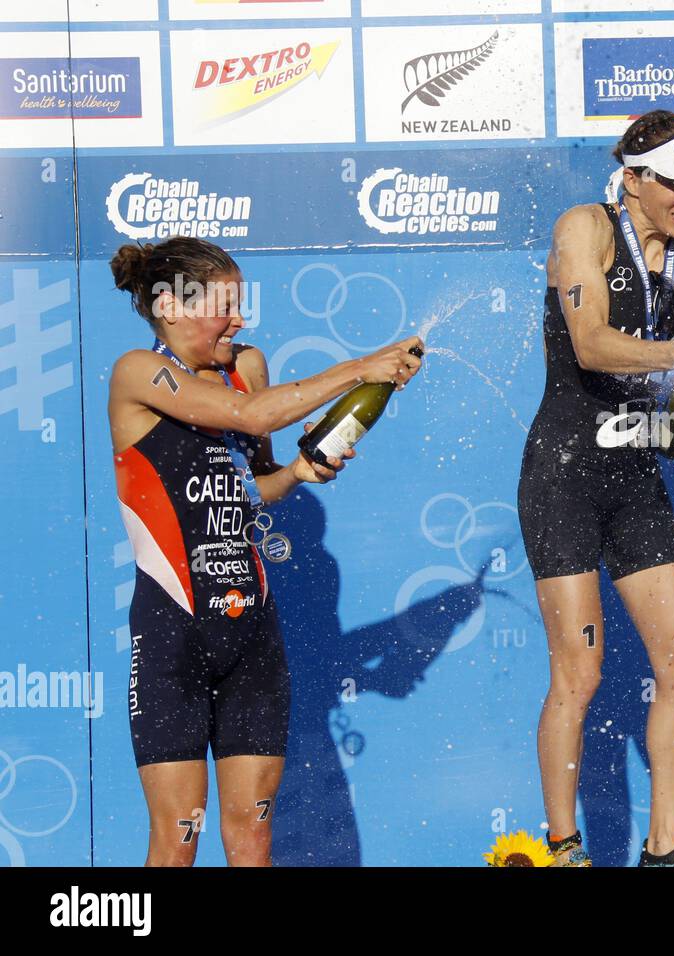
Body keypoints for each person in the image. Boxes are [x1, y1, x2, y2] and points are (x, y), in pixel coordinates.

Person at [109, 236, 422, 866]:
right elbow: (251, 417)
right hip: (174, 636)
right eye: (223, 305)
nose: (240, 319)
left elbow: (255, 485)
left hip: (252, 637)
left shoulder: (246, 364)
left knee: (251, 838)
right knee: (179, 837)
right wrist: (362, 367)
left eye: (240, 303)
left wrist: (301, 474)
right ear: (169, 306)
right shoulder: (137, 373)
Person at [517, 110, 674, 866]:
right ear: (632, 179)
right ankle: (563, 848)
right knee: (581, 671)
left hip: (635, 474)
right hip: (564, 473)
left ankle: (665, 849)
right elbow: (592, 344)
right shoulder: (586, 227)